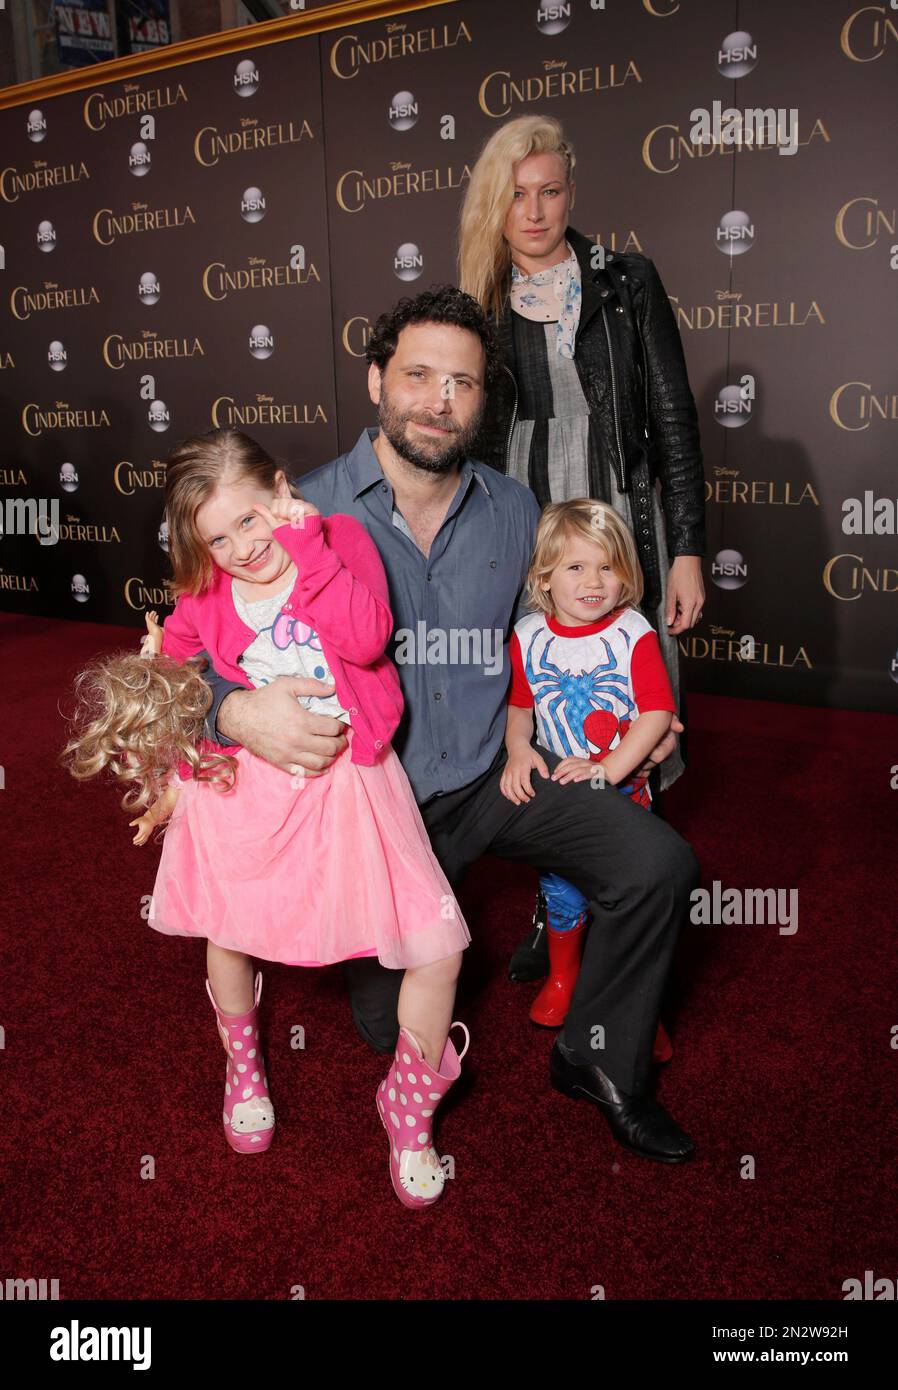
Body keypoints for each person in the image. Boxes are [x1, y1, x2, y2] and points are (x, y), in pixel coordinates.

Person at [198, 286, 699, 1164]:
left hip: (494, 777)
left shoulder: (512, 508)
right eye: (420, 375)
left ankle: (600, 1059)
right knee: (384, 1028)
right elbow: (196, 656)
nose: (440, 401)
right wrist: (236, 709)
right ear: (375, 381)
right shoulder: (292, 515)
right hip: (366, 803)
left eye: (462, 383)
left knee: (658, 862)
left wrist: (629, 718)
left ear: (483, 398)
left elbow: (559, 632)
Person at [62, 430, 471, 1209]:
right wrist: (172, 764)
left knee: (438, 945)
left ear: (280, 490)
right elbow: (178, 677)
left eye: (250, 522)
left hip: (351, 781)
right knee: (231, 931)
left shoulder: (338, 536)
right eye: (216, 538)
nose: (240, 549)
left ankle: (408, 1112)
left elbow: (366, 637)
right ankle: (243, 1067)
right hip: (245, 787)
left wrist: (305, 543)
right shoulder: (205, 588)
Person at [458, 113, 706, 988]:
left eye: (550, 190)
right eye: (516, 195)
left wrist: (685, 551)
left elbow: (673, 417)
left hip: (619, 512)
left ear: (573, 191)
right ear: (496, 202)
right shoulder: (476, 302)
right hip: (524, 516)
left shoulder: (626, 280)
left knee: (629, 698)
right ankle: (553, 903)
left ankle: (633, 906)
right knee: (544, 705)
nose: (535, 210)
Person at [502, 500, 678, 1064]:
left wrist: (608, 770)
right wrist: (516, 750)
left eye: (607, 566)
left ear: (625, 573)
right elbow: (519, 708)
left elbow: (654, 714)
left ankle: (634, 1007)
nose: (594, 581)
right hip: (560, 800)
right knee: (560, 890)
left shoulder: (634, 632)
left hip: (622, 796)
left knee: (626, 899)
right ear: (544, 578)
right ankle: (563, 978)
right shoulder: (527, 636)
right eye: (575, 568)